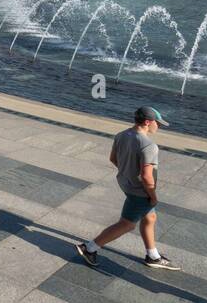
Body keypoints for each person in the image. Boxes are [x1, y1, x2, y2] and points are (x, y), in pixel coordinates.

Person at [75, 107, 179, 270]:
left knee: (149, 218)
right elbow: (146, 176)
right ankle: (89, 248)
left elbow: (113, 158)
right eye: (157, 123)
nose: (158, 127)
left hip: (125, 184)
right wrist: (152, 196)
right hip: (140, 191)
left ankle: (153, 256)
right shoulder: (149, 146)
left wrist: (127, 172)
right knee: (127, 224)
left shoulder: (122, 135)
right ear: (147, 122)